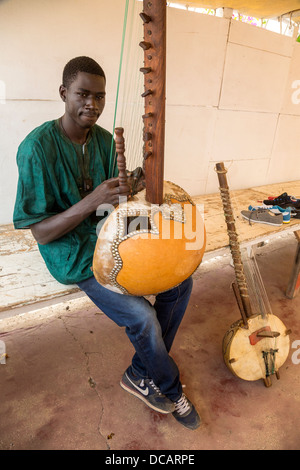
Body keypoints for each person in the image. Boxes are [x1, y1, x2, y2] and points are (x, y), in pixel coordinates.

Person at [13, 56, 200, 430]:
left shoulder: (101, 140)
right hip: (73, 252)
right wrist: (93, 201)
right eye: (83, 95)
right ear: (64, 93)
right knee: (142, 316)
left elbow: (114, 207)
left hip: (110, 231)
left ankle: (140, 371)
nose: (92, 106)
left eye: (99, 97)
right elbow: (41, 232)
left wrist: (134, 185)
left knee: (182, 280)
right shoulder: (36, 147)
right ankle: (167, 384)